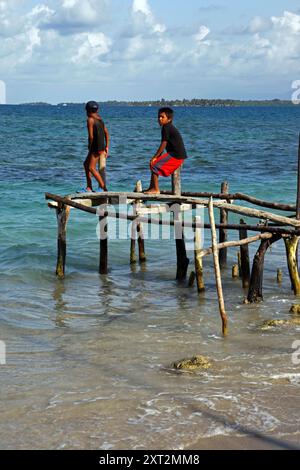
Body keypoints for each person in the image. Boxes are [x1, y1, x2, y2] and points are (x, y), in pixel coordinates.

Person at [144, 107, 187, 194]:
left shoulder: (166, 127)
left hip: (176, 156)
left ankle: (156, 189)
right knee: (153, 164)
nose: (159, 119)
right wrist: (157, 157)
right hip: (174, 154)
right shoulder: (167, 127)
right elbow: (165, 144)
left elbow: (164, 143)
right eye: (158, 117)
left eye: (162, 117)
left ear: (169, 119)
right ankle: (152, 187)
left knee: (154, 165)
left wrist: (155, 157)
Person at [82, 100, 109, 192]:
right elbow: (106, 133)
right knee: (86, 164)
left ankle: (103, 188)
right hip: (101, 146)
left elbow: (91, 137)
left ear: (87, 110)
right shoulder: (99, 119)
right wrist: (107, 147)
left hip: (95, 148)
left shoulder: (90, 120)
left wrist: (89, 147)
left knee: (91, 168)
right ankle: (89, 187)